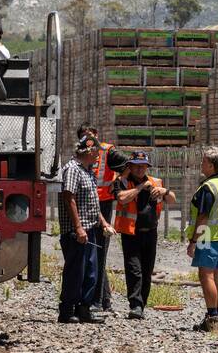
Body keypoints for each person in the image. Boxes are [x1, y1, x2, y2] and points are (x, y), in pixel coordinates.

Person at [57, 135, 114, 324]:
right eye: (96, 151)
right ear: (89, 151)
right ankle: (67, 309)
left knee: (91, 271)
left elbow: (92, 203)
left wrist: (103, 222)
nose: (98, 155)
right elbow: (69, 198)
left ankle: (84, 308)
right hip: (77, 231)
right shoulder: (72, 169)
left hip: (90, 229)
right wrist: (78, 227)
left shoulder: (88, 171)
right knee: (76, 271)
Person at [113, 150, 175, 319]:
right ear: (130, 167)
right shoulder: (123, 182)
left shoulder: (156, 182)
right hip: (131, 233)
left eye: (143, 167)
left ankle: (142, 304)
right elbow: (121, 198)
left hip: (150, 233)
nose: (140, 170)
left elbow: (172, 200)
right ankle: (135, 305)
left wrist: (165, 192)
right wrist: (140, 188)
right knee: (134, 271)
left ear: (147, 167)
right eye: (137, 166)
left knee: (147, 272)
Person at [185, 145, 218, 331]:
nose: (201, 164)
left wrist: (193, 241)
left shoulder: (208, 187)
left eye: (204, 161)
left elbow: (202, 216)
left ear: (212, 166)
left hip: (208, 235)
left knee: (206, 276)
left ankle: (211, 317)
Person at [79, 122, 119, 311]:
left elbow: (127, 164)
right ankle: (102, 299)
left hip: (103, 203)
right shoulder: (80, 155)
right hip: (89, 203)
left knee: (99, 251)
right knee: (92, 252)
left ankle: (99, 300)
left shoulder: (107, 151)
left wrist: (116, 182)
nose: (90, 140)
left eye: (92, 135)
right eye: (86, 136)